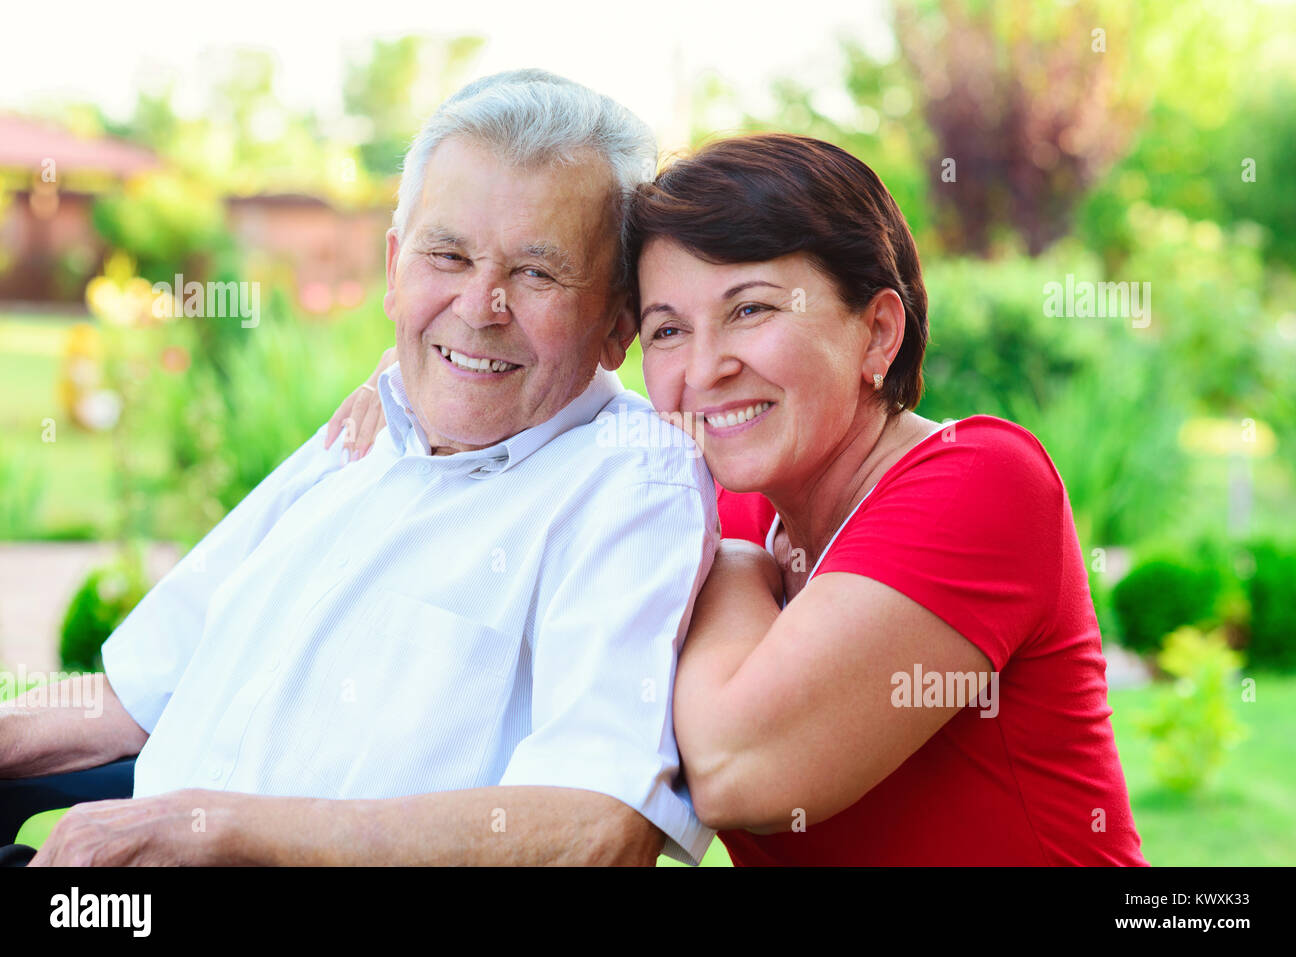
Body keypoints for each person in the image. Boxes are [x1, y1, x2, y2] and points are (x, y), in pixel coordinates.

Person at [338, 132, 1147, 865]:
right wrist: (424, 374)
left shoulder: (979, 481)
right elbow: (570, 410)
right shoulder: (726, 495)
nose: (707, 366)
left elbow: (739, 771)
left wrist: (728, 562)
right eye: (667, 329)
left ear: (878, 333)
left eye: (751, 309)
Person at [0, 70, 718, 867]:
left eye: (537, 273)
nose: (481, 306)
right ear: (393, 268)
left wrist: (224, 830)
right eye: (447, 255)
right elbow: (133, 695)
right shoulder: (364, 429)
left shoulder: (629, 479)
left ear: (618, 321)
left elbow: (598, 823)